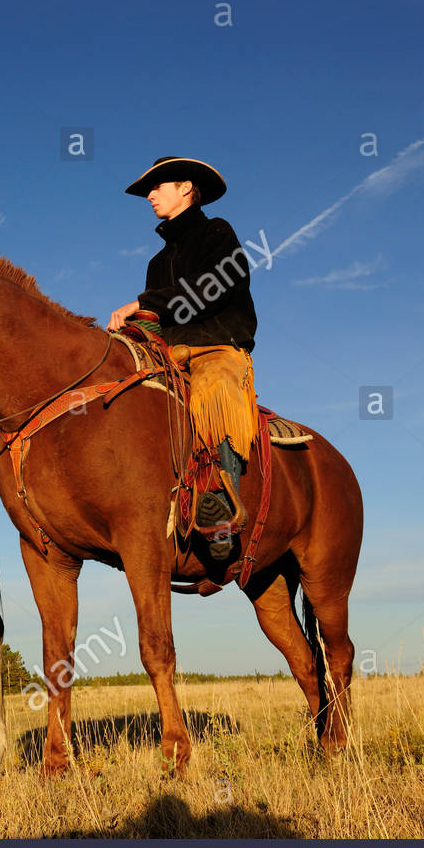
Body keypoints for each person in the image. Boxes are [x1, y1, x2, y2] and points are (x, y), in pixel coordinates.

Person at [107, 156, 258, 559]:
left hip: (216, 347)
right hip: (168, 355)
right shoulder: (156, 263)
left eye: (158, 187)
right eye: (148, 191)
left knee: (213, 389)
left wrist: (144, 302)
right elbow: (159, 318)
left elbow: (214, 287)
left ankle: (223, 509)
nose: (151, 196)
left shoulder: (217, 232)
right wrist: (131, 331)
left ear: (186, 188)